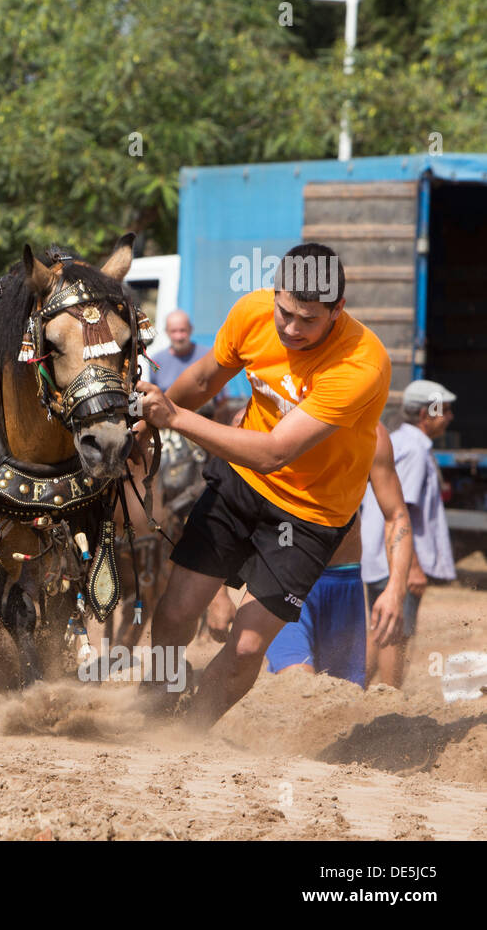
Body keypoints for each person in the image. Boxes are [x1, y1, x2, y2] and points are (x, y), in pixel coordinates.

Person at [134, 242, 396, 727]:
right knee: (174, 613)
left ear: (338, 310)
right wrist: (151, 420)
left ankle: (185, 735)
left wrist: (173, 418)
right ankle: (155, 708)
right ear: (274, 294)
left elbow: (276, 453)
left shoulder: (363, 362)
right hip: (240, 485)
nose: (292, 329)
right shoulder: (253, 313)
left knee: (249, 644)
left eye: (308, 320)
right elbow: (206, 377)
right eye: (285, 313)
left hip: (311, 514)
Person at [265, 423, 413, 686]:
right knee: (298, 686)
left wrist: (395, 590)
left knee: (341, 699)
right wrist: (218, 594)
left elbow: (397, 515)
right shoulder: (263, 421)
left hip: (343, 582)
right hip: (283, 576)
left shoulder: (372, 433)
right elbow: (228, 506)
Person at [359, 380, 458, 688]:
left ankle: (352, 689)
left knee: (381, 627)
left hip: (378, 552)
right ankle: (388, 696)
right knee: (395, 630)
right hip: (395, 558)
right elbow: (406, 510)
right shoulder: (415, 449)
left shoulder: (397, 441)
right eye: (445, 409)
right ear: (425, 414)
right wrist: (411, 566)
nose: (450, 416)